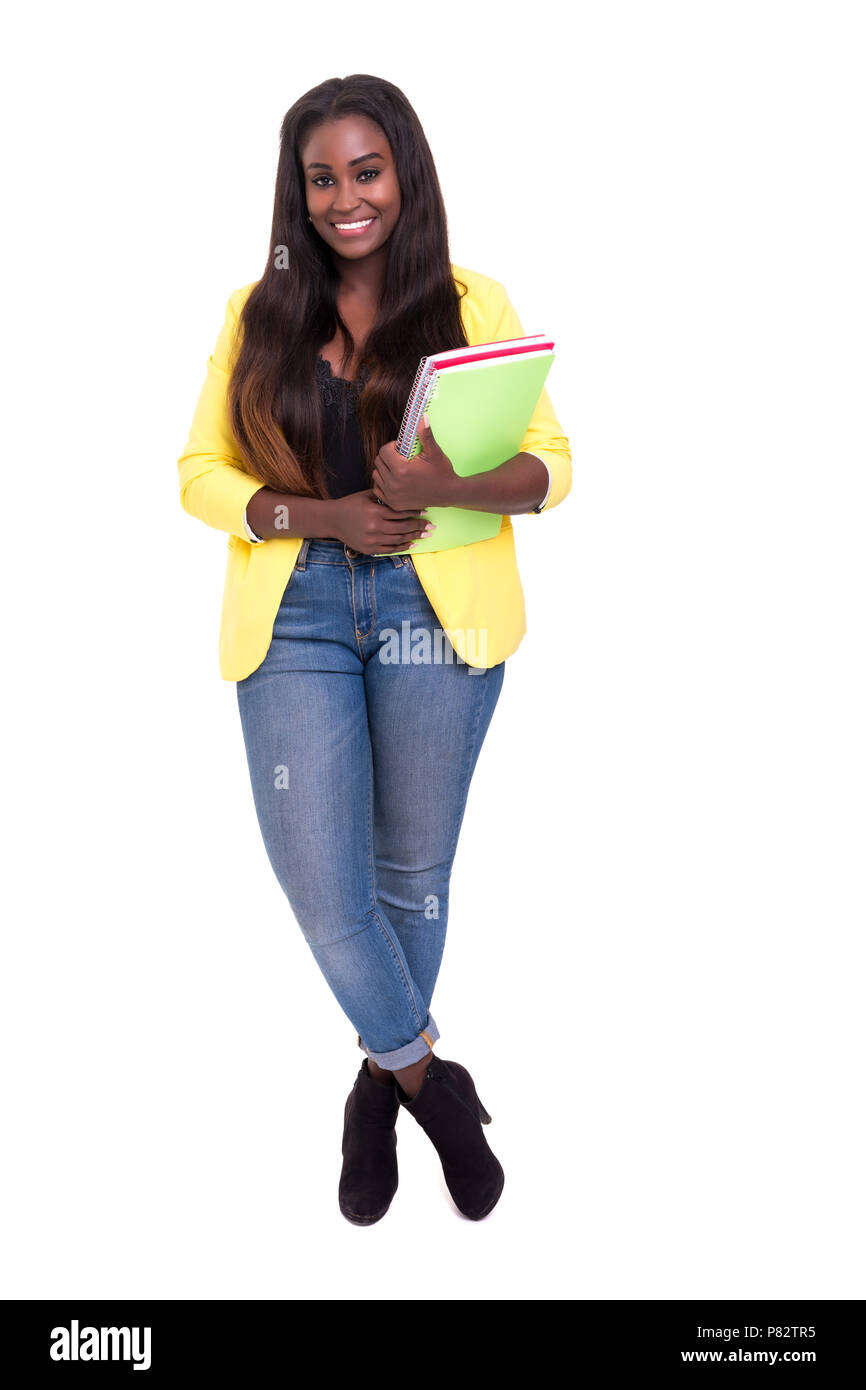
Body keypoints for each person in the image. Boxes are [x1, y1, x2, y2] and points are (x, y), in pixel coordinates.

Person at [177, 74, 572, 1225]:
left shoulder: (470, 302)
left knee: (408, 876)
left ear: (403, 172)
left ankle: (369, 1088)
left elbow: (553, 468)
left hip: (431, 612)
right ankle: (428, 1081)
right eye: (321, 178)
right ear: (297, 194)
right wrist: (317, 518)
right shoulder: (259, 311)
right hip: (293, 607)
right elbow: (198, 477)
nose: (345, 197)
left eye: (365, 170)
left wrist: (448, 485)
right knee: (323, 883)